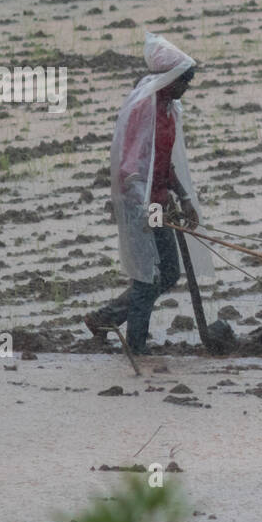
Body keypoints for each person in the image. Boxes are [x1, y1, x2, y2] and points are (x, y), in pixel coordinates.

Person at [85, 33, 211, 354]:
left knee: (168, 272)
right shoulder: (144, 109)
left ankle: (105, 318)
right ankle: (136, 348)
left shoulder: (169, 108)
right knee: (146, 278)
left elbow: (164, 162)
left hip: (157, 202)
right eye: (183, 81)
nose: (187, 88)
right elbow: (131, 166)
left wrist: (183, 199)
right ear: (168, 79)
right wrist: (149, 209)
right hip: (136, 201)